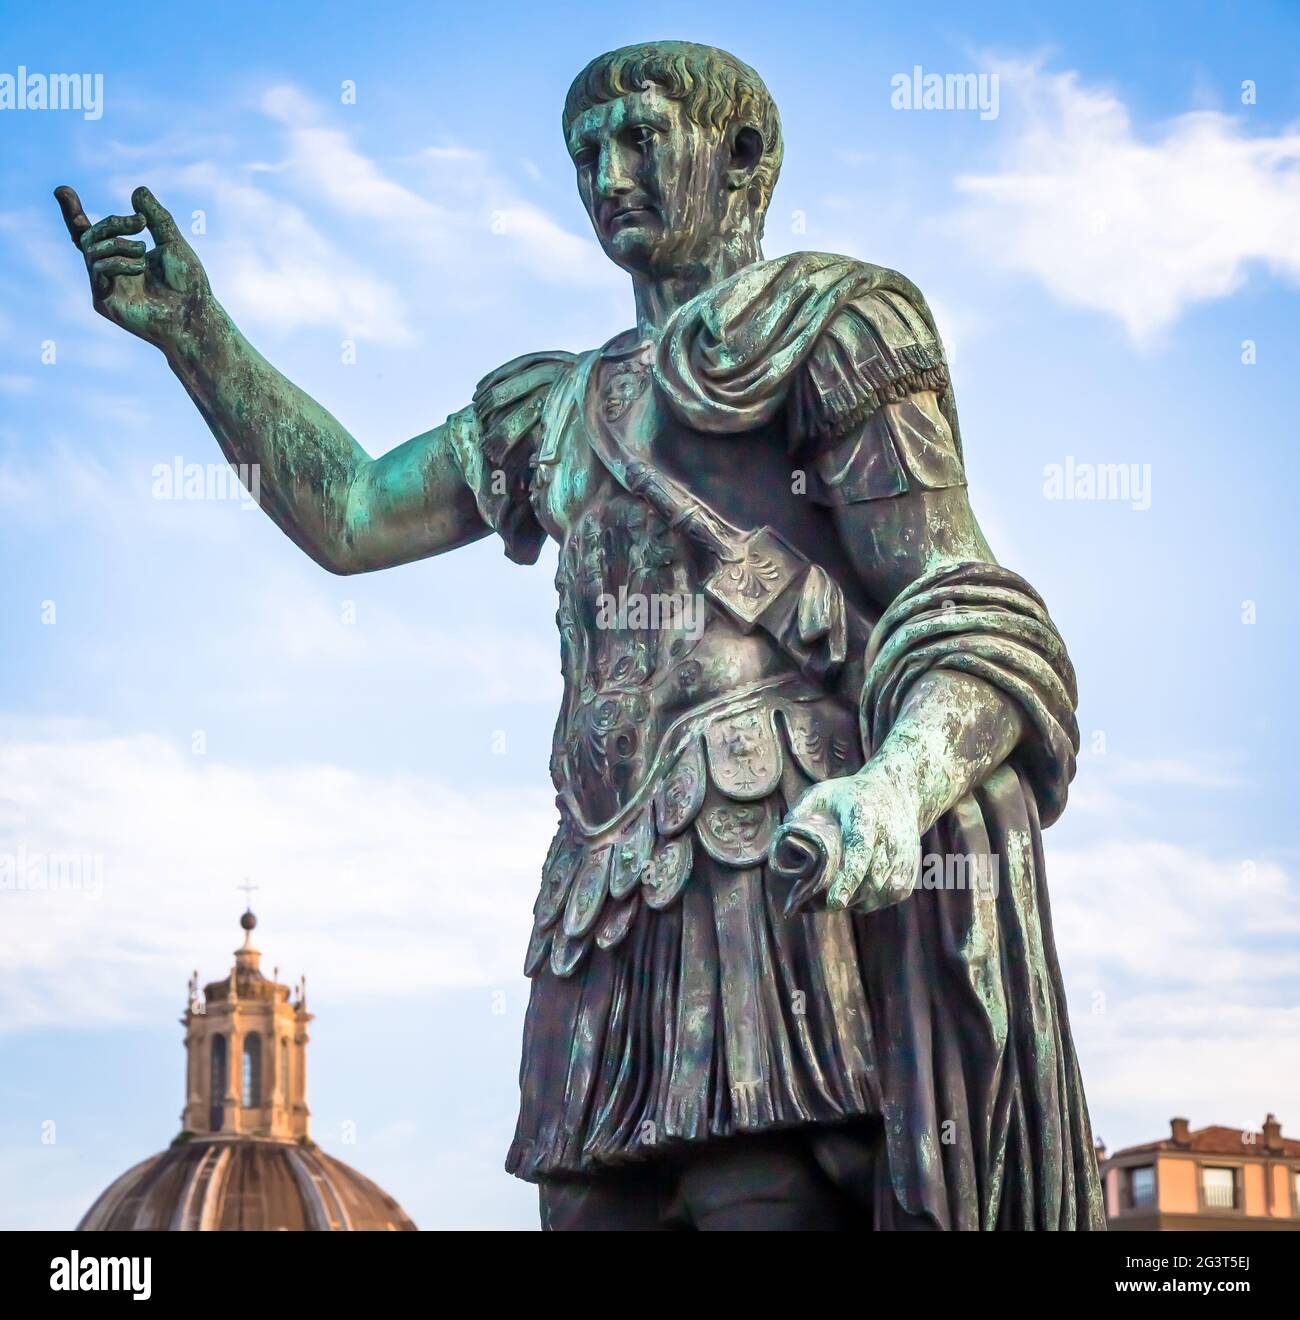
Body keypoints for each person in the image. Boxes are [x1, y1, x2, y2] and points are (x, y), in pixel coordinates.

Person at [56, 40, 1103, 1231]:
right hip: (602, 883)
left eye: (640, 139)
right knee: (587, 1208)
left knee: (757, 1187)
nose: (609, 174)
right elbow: (347, 512)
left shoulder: (834, 326)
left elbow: (961, 604)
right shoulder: (551, 405)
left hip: (765, 843)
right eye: (586, 153)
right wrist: (199, 338)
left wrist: (893, 788)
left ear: (744, 158)